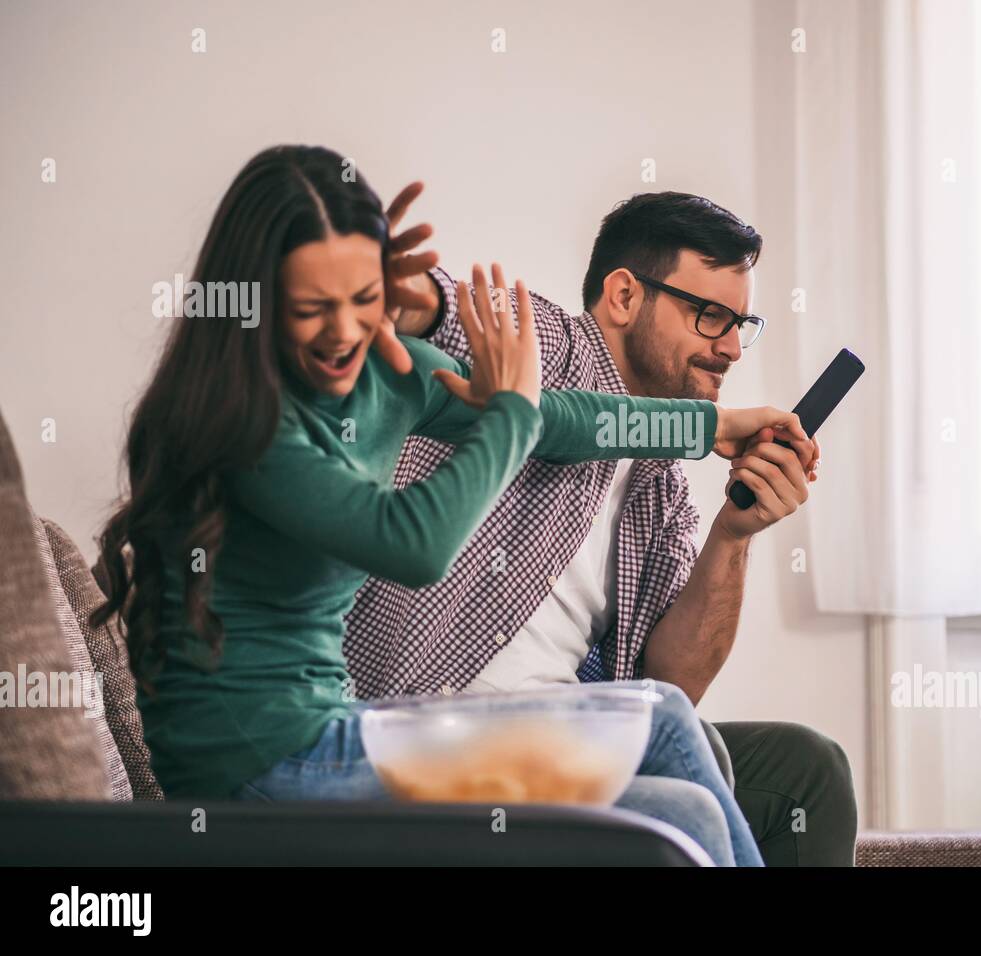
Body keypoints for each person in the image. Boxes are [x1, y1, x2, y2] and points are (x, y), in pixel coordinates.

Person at [91, 145, 814, 867]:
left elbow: (561, 421)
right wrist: (509, 409)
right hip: (262, 768)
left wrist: (711, 427)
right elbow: (415, 544)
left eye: (362, 299)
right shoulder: (249, 425)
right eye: (314, 308)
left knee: (679, 808)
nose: (344, 332)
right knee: (658, 721)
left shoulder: (387, 373)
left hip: (337, 731)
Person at [345, 185, 859, 865]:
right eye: (710, 315)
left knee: (805, 769)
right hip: (429, 723)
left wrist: (734, 536)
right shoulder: (550, 348)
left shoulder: (662, 490)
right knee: (682, 748)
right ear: (623, 296)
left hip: (566, 745)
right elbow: (455, 310)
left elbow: (673, 679)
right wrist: (411, 293)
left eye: (741, 324)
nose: (732, 347)